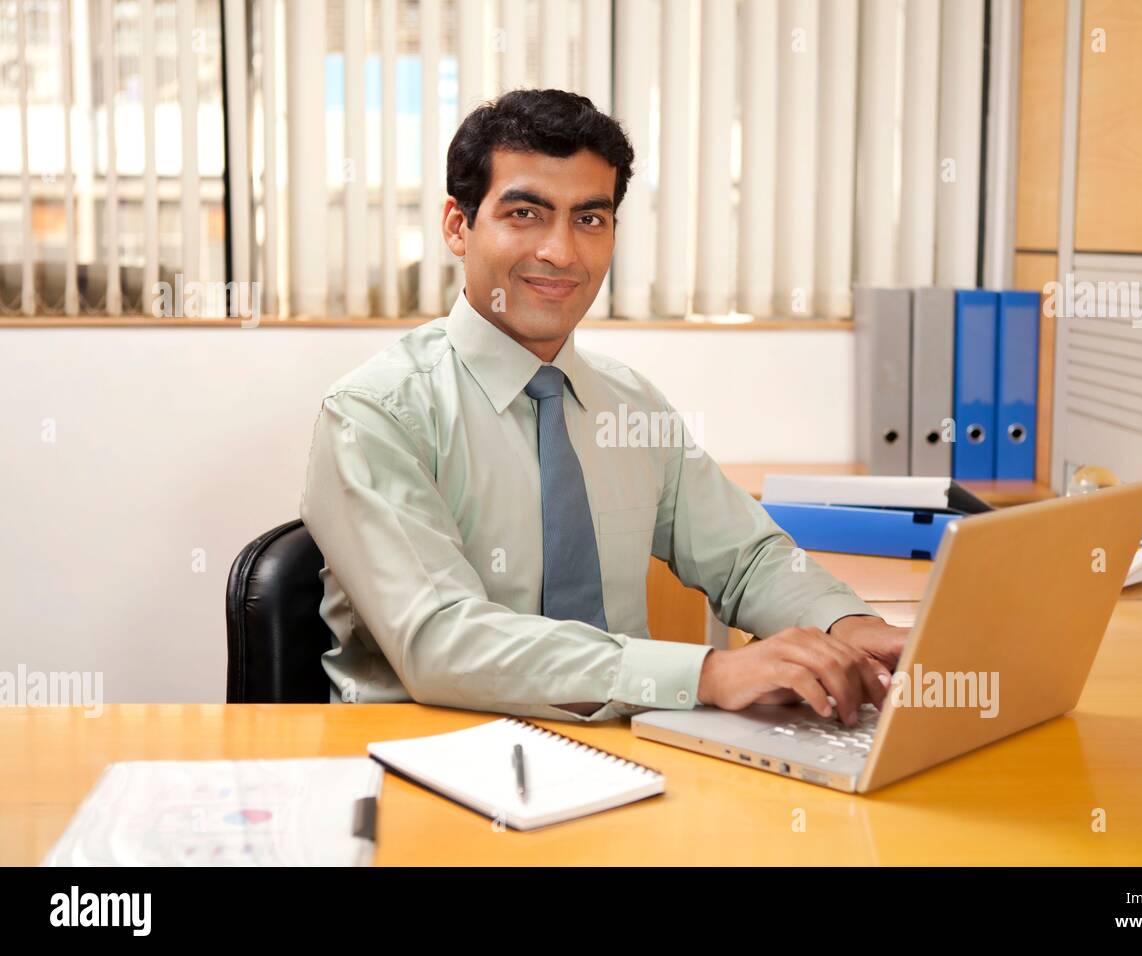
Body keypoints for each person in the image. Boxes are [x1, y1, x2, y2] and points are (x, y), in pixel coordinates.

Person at [300, 88, 906, 725]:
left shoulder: (628, 404)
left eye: (589, 219)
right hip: (426, 760)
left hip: (626, 754)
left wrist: (845, 621)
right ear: (458, 225)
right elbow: (440, 639)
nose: (561, 252)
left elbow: (746, 558)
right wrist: (706, 672)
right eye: (525, 213)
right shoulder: (373, 414)